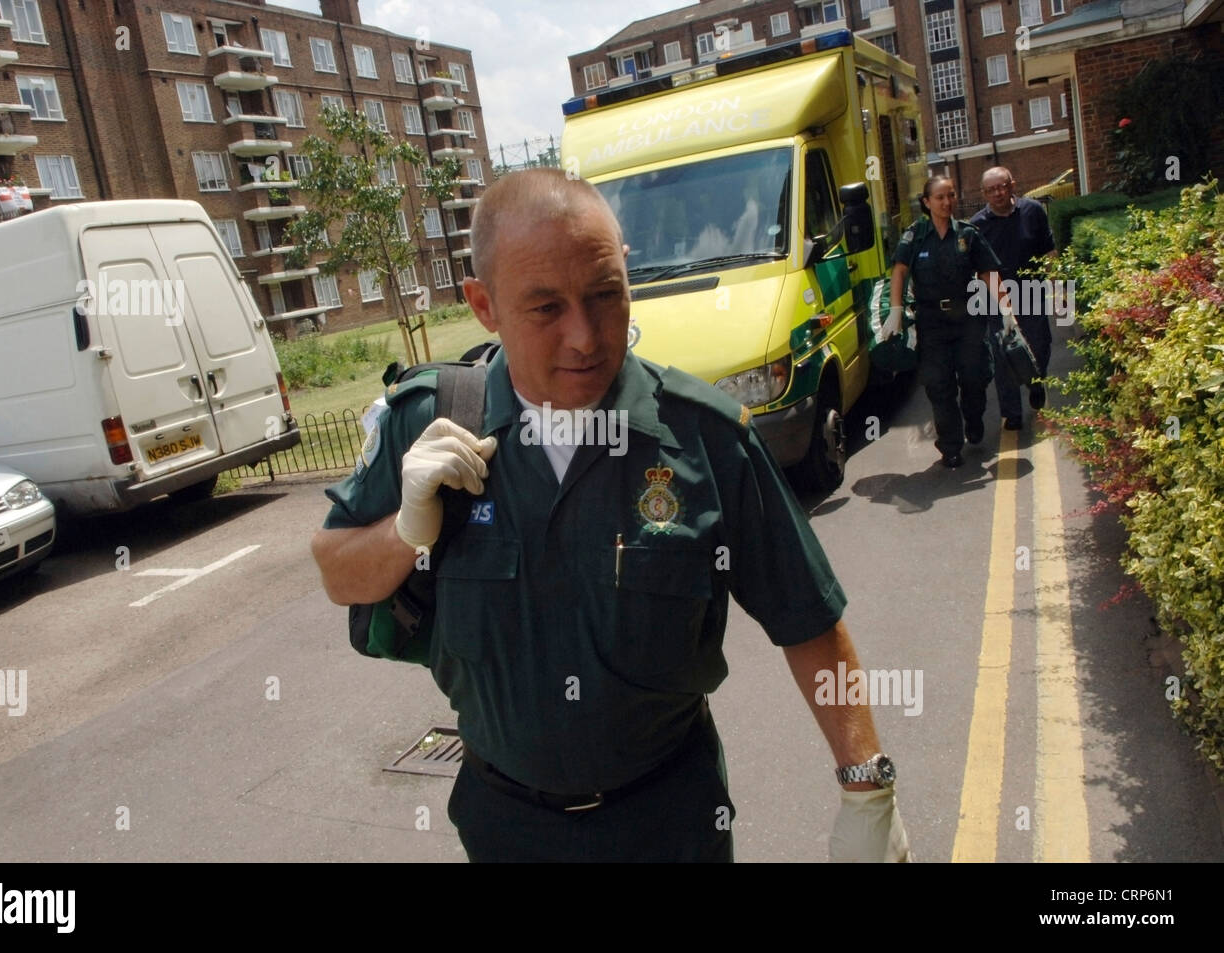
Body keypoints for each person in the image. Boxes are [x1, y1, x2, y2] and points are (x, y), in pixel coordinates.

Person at [312, 168, 911, 863]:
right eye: (545, 308)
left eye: (605, 296)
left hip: (669, 823)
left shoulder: (704, 436)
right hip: (508, 829)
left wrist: (867, 787)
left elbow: (806, 615)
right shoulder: (430, 423)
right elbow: (337, 572)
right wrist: (406, 530)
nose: (586, 336)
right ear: (484, 305)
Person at [883, 175, 1005, 469]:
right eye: (939, 197)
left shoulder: (968, 234)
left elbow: (988, 272)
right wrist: (896, 310)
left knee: (975, 376)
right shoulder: (915, 236)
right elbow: (899, 272)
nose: (947, 202)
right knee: (939, 385)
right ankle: (950, 446)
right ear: (926, 202)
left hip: (968, 319)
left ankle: (973, 418)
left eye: (950, 195)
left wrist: (1008, 309)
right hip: (933, 322)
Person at [969, 166, 1059, 430]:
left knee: (1040, 345)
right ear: (984, 194)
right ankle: (1012, 413)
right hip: (995, 296)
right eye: (991, 190)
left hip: (1031, 290)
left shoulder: (1033, 211)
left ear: (1012, 185)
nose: (998, 193)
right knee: (1003, 353)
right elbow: (977, 268)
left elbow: (1049, 251)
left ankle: (1036, 383)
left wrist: (1059, 288)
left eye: (1002, 186)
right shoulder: (977, 225)